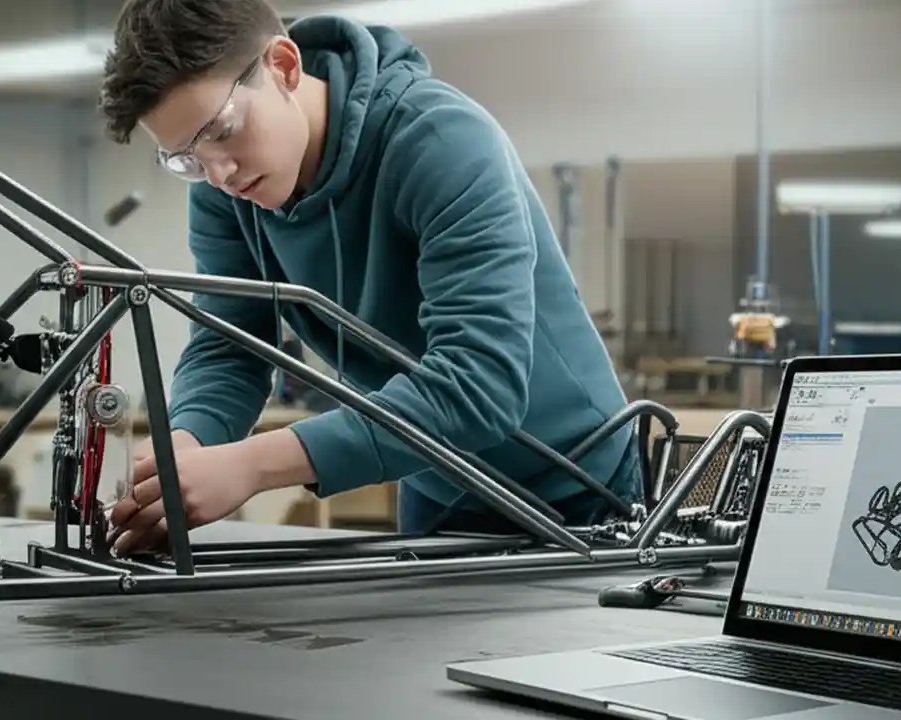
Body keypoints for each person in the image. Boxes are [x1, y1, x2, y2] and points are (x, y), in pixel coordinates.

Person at [97, 0, 642, 555]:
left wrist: (253, 465)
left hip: (574, 484)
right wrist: (184, 451)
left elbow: (480, 385)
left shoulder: (442, 143)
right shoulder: (226, 195)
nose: (219, 173)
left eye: (222, 130)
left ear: (284, 65)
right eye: (185, 159)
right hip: (437, 477)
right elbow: (229, 347)